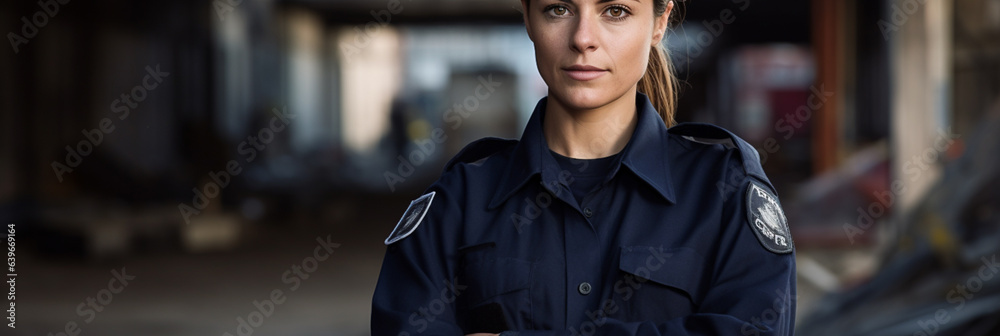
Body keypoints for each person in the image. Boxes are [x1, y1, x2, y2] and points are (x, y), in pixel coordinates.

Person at [372, 0, 796, 335]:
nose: (583, 38)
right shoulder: (458, 201)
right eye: (559, 9)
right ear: (528, 17)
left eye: (616, 11)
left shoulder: (724, 192)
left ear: (659, 22)